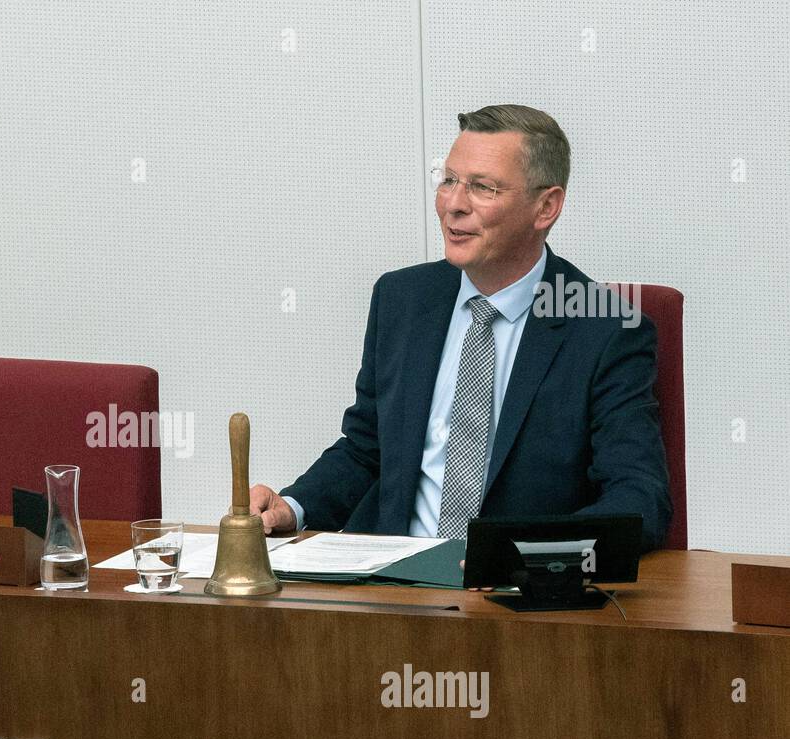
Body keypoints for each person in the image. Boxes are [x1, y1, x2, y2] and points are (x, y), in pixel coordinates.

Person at [250, 104, 671, 554]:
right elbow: (369, 448)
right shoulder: (402, 299)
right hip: (391, 582)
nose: (453, 204)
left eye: (482, 188)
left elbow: (638, 499)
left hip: (513, 599)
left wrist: (516, 557)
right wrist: (292, 507)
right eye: (448, 180)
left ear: (546, 207)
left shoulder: (603, 329)